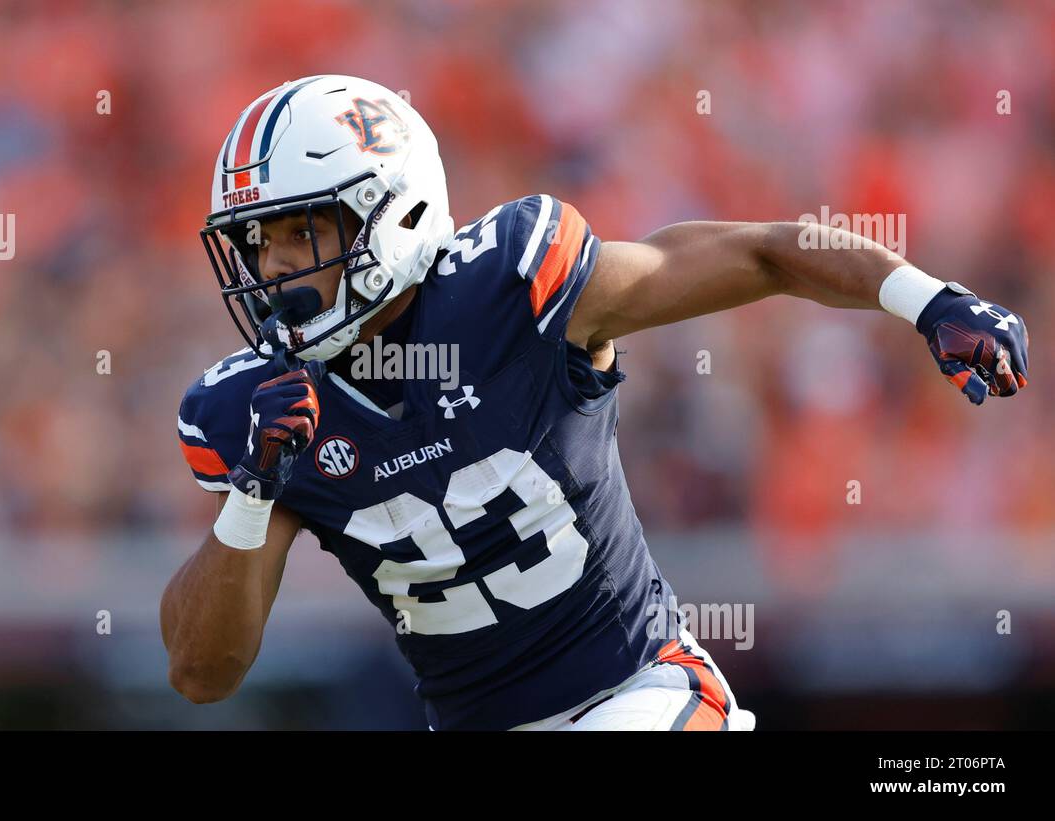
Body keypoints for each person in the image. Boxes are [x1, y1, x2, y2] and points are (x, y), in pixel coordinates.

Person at [160, 75, 1030, 731]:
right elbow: (202, 672)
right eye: (257, 242)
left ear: (392, 213)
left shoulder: (510, 291)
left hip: (642, 694)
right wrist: (252, 489)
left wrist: (926, 299)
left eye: (300, 233)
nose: (274, 269)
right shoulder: (260, 413)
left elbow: (758, 255)